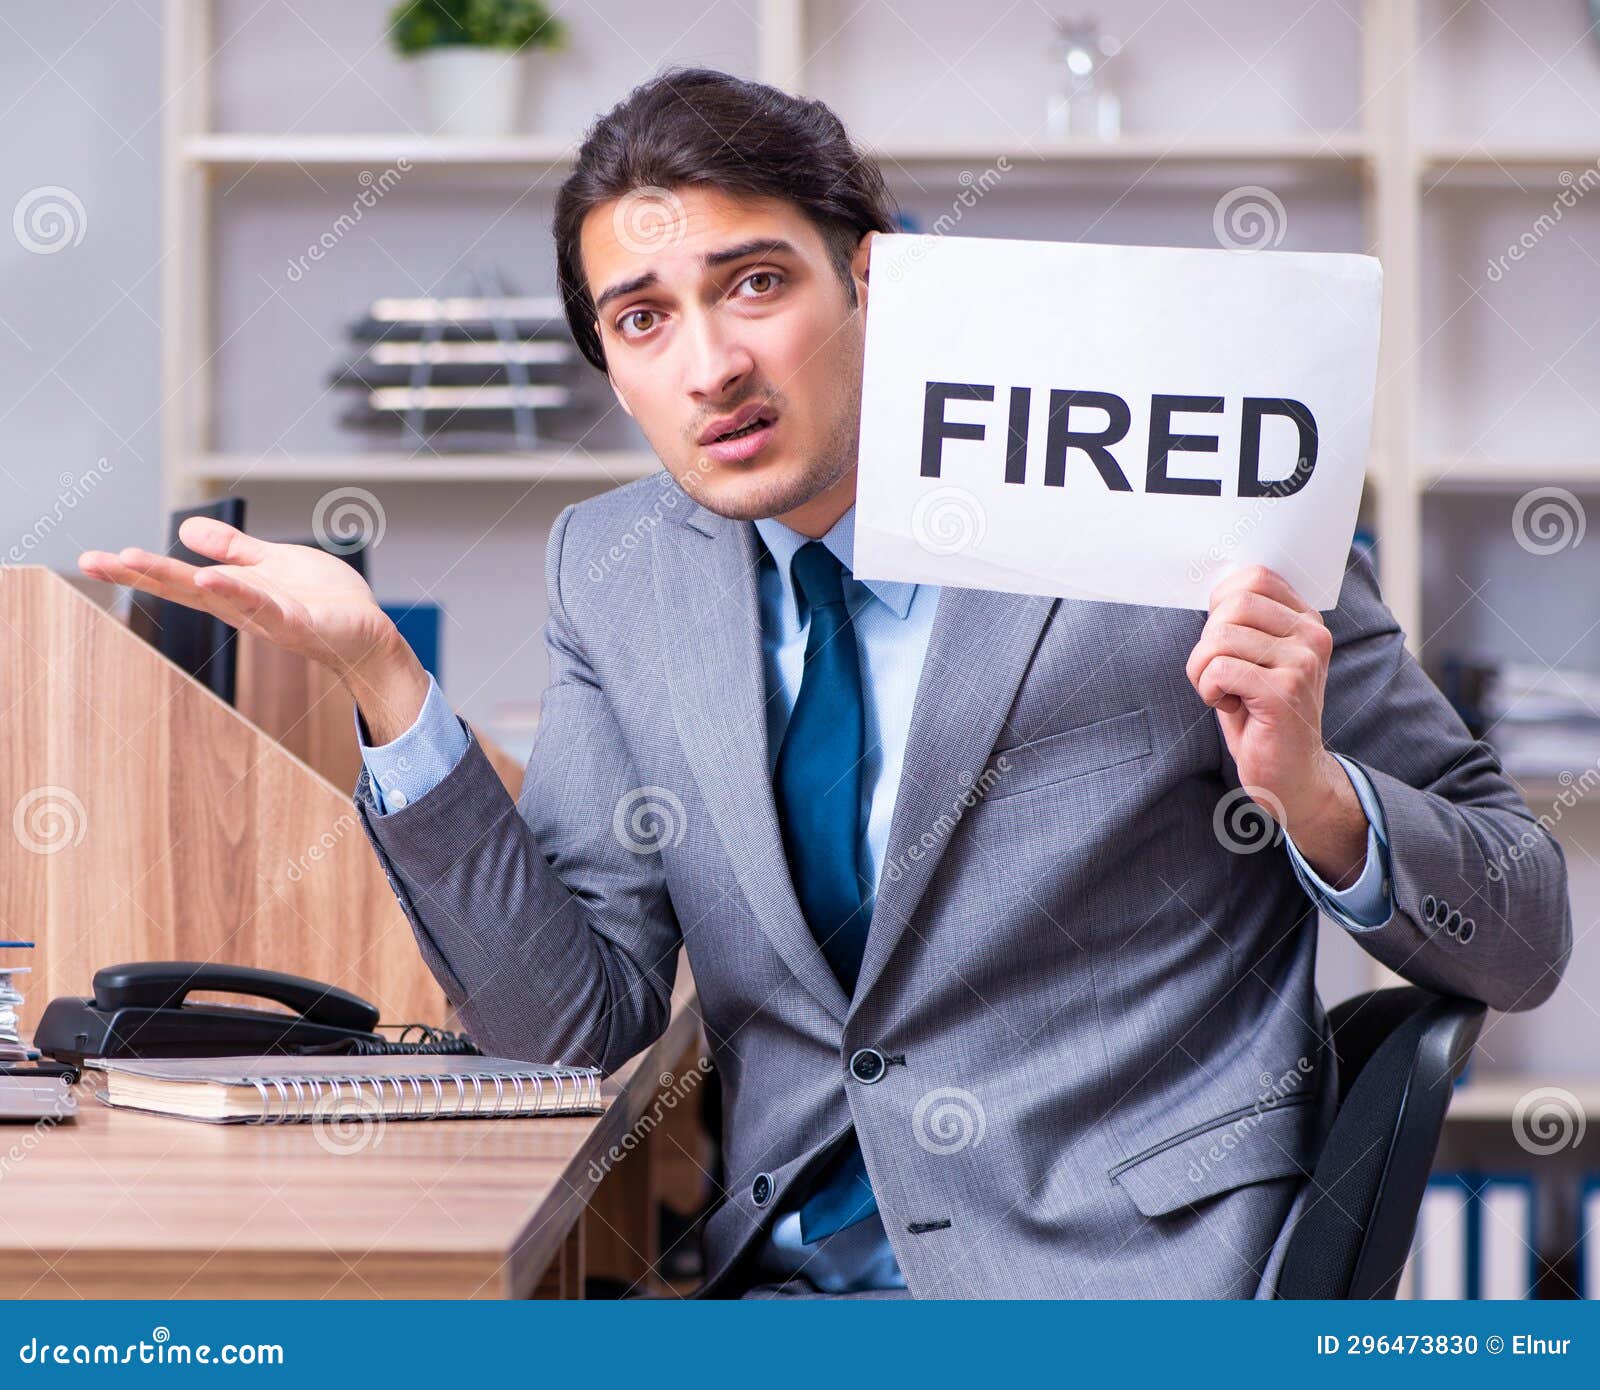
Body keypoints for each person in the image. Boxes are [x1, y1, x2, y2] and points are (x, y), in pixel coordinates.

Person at [80, 68, 1570, 1299]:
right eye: (644, 318)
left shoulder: (1180, 503)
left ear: (874, 276)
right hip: (773, 1283)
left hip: (1110, 1279)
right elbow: (576, 1022)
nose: (711, 364)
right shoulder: (618, 569)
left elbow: (1521, 927)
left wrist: (1314, 798)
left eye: (756, 282)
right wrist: (388, 685)